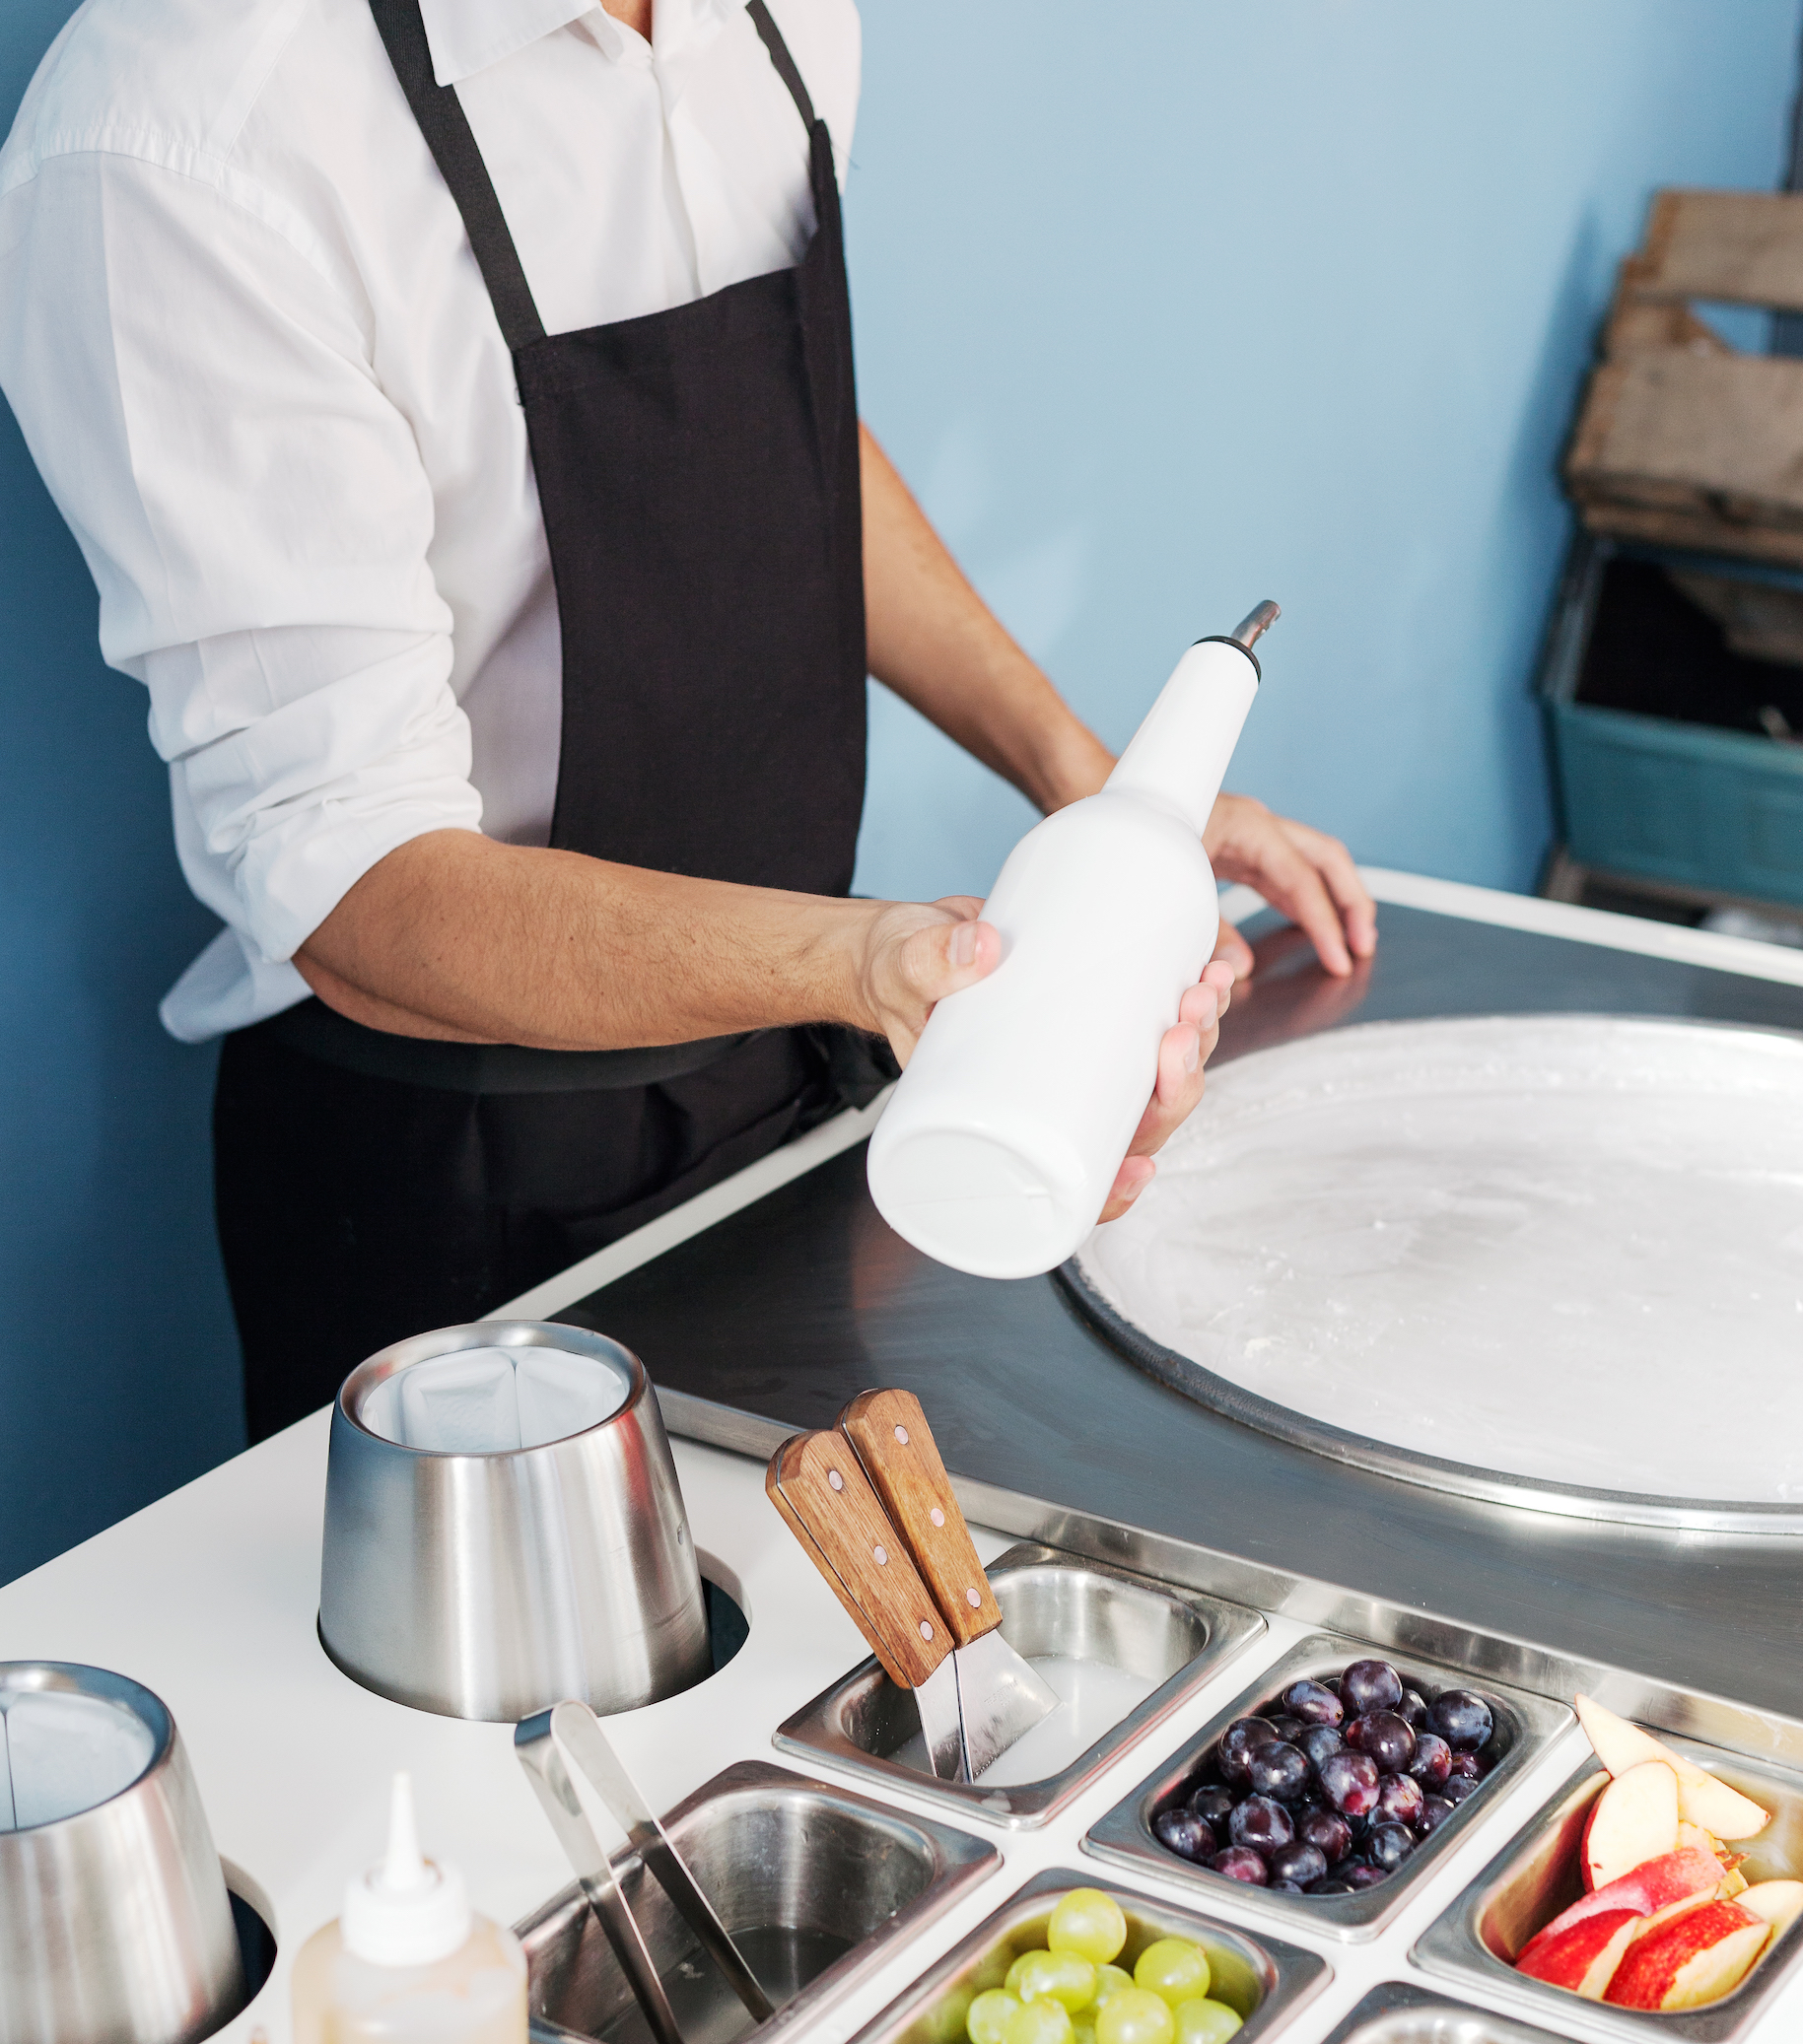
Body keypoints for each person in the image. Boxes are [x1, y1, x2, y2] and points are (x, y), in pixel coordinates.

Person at [0, 0, 1374, 1441]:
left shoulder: (778, 20)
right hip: (457, 1168)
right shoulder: (181, 138)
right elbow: (358, 889)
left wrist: (1094, 788)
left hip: (789, 1050)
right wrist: (889, 964)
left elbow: (774, 448)